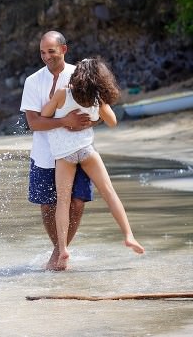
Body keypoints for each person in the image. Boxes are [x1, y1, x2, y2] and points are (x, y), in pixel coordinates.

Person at [41, 57, 145, 269]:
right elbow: (113, 122)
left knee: (63, 201)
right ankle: (129, 235)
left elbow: (44, 115)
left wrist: (63, 117)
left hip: (64, 155)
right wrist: (94, 120)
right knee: (109, 193)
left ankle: (62, 250)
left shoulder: (64, 92)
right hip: (87, 152)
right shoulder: (97, 97)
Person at [19, 30, 97, 271]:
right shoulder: (33, 81)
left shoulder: (80, 76)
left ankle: (57, 254)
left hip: (77, 152)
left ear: (64, 49)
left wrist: (89, 121)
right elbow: (34, 123)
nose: (46, 57)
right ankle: (60, 250)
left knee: (78, 203)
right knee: (47, 206)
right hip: (44, 154)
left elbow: (97, 113)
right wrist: (65, 121)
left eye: (51, 51)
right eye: (42, 52)